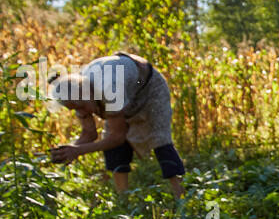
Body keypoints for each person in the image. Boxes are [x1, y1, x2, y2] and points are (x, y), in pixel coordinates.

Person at [47, 52, 185, 196]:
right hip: (123, 92)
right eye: (74, 109)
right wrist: (67, 151)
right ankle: (123, 199)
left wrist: (78, 151)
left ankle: (181, 196)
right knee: (114, 148)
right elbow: (90, 133)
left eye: (81, 107)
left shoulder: (109, 89)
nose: (81, 112)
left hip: (148, 90)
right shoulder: (77, 94)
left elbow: (117, 137)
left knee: (160, 141)